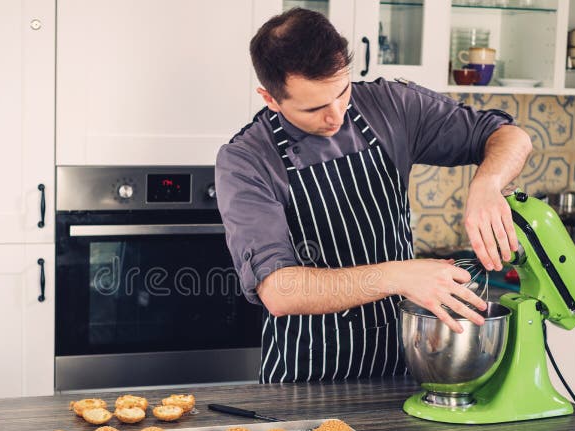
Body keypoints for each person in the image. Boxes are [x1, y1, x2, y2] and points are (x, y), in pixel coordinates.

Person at [215, 8, 532, 383]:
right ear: (270, 98)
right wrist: (397, 276)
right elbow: (280, 291)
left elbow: (510, 136)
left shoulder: (391, 105)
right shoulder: (246, 160)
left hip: (404, 369)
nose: (336, 115)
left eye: (342, 92)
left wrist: (487, 184)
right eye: (315, 107)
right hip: (305, 380)